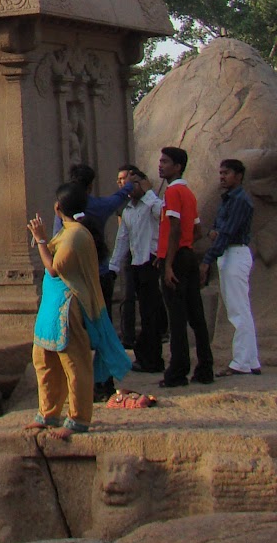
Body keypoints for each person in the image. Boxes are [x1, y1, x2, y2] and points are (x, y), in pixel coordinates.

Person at [27, 182, 131, 434]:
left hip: (68, 306)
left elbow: (54, 268)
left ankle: (79, 418)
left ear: (58, 207)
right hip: (52, 306)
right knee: (43, 359)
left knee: (74, 363)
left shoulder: (75, 235)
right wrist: (42, 239)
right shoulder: (67, 231)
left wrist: (41, 239)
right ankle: (48, 413)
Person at [157, 145, 213, 387]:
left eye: (166, 162)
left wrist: (168, 263)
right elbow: (197, 229)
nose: (161, 165)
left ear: (177, 167)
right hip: (187, 254)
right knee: (196, 316)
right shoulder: (189, 193)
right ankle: (205, 368)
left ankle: (177, 371)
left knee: (177, 317)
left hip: (177, 257)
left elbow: (175, 228)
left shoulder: (172, 193)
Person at [202, 158, 261, 375]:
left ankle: (241, 362)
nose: (222, 177)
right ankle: (251, 360)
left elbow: (226, 232)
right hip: (229, 253)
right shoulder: (228, 199)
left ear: (238, 176)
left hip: (235, 252)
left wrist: (207, 259)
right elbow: (218, 228)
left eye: (226, 173)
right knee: (239, 309)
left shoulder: (240, 201)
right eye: (221, 173)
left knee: (238, 311)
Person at [108, 165, 166, 373]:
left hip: (151, 262)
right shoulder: (129, 210)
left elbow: (164, 214)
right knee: (144, 311)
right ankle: (146, 356)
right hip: (136, 264)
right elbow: (122, 239)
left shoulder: (152, 204)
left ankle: (153, 358)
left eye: (132, 183)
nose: (128, 187)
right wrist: (113, 266)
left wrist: (148, 191)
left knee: (151, 313)